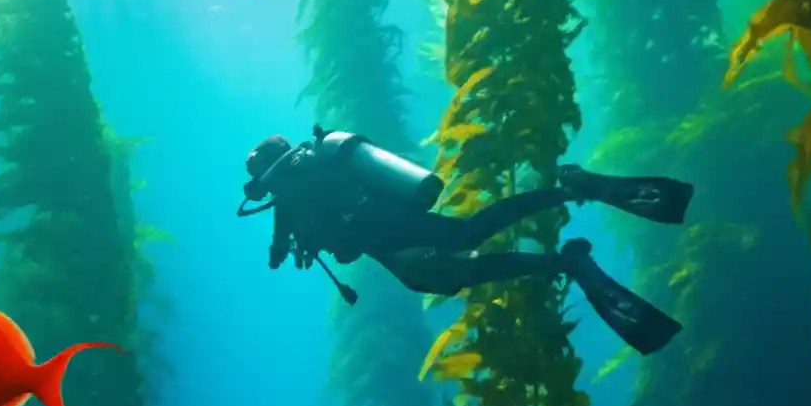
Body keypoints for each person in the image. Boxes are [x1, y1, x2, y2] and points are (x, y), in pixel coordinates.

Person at [236, 125, 694, 355]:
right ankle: (571, 203)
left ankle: (564, 245)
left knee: (468, 252)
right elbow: (289, 245)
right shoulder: (301, 181)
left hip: (391, 237)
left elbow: (288, 248)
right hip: (394, 234)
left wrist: (283, 248)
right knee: (466, 247)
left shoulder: (291, 193)